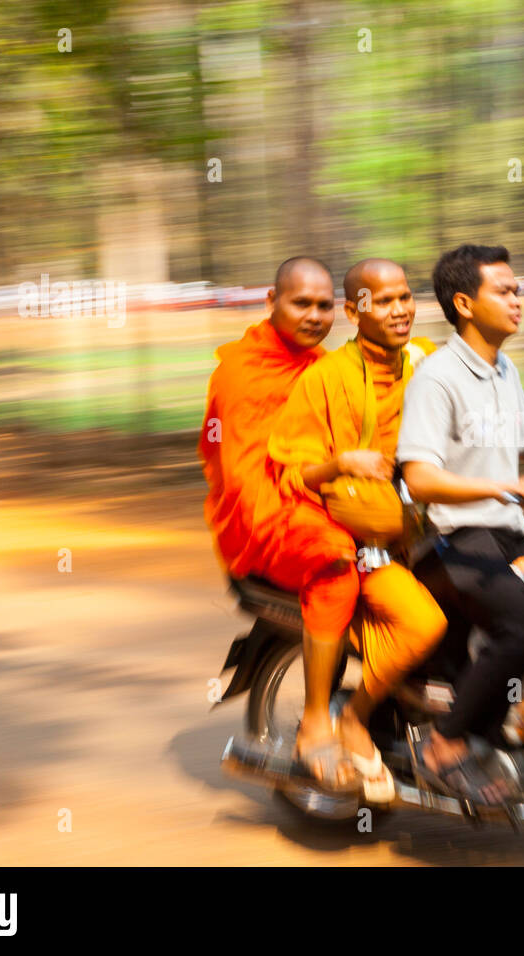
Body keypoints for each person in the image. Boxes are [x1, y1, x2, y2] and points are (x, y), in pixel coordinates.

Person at [397, 243, 524, 806]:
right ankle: (443, 742)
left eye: (518, 290)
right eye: (504, 290)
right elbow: (420, 479)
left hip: (502, 539)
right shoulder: (438, 378)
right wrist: (509, 486)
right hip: (452, 545)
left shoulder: (502, 369)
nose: (517, 300)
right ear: (465, 303)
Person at [268, 258, 448, 801]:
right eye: (383, 301)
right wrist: (342, 462)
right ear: (354, 311)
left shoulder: (427, 363)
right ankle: (339, 718)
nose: (400, 310)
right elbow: (290, 469)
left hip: (427, 532)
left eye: (405, 297)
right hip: (368, 548)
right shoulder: (326, 378)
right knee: (423, 626)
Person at [198, 256, 365, 792]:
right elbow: (248, 480)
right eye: (301, 303)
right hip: (264, 522)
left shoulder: (321, 366)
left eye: (323, 306)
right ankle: (317, 721)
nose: (314, 315)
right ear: (272, 303)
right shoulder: (242, 375)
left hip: (309, 500)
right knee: (340, 566)